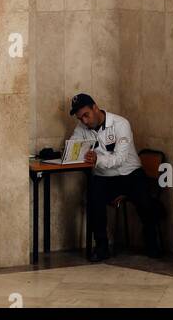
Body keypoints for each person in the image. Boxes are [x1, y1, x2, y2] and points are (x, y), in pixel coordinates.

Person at [68, 92, 162, 262]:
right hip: (104, 176)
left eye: (86, 115)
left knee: (145, 201)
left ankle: (152, 242)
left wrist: (97, 159)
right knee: (93, 198)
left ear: (95, 108)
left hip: (129, 173)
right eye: (80, 118)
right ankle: (102, 247)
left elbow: (121, 158)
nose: (84, 121)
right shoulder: (82, 128)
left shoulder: (120, 124)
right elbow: (74, 148)